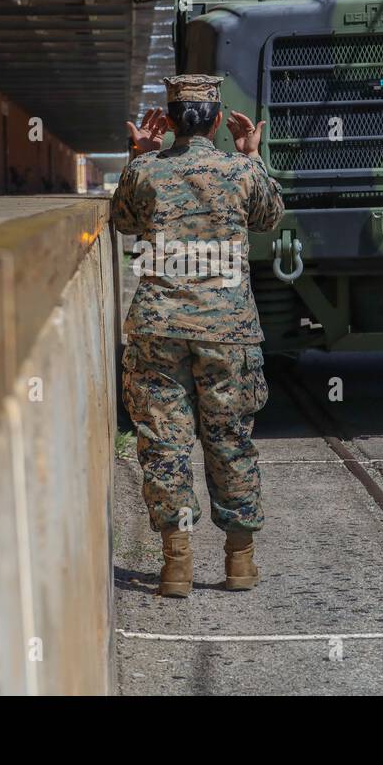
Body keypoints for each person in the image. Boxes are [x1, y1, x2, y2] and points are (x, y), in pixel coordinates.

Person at [112, 75, 285, 598]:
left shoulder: (147, 171)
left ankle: (176, 566)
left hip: (158, 330)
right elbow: (270, 218)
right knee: (230, 440)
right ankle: (239, 562)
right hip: (227, 330)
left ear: (168, 121)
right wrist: (252, 155)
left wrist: (141, 154)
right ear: (216, 120)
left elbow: (122, 220)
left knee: (164, 444)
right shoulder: (239, 170)